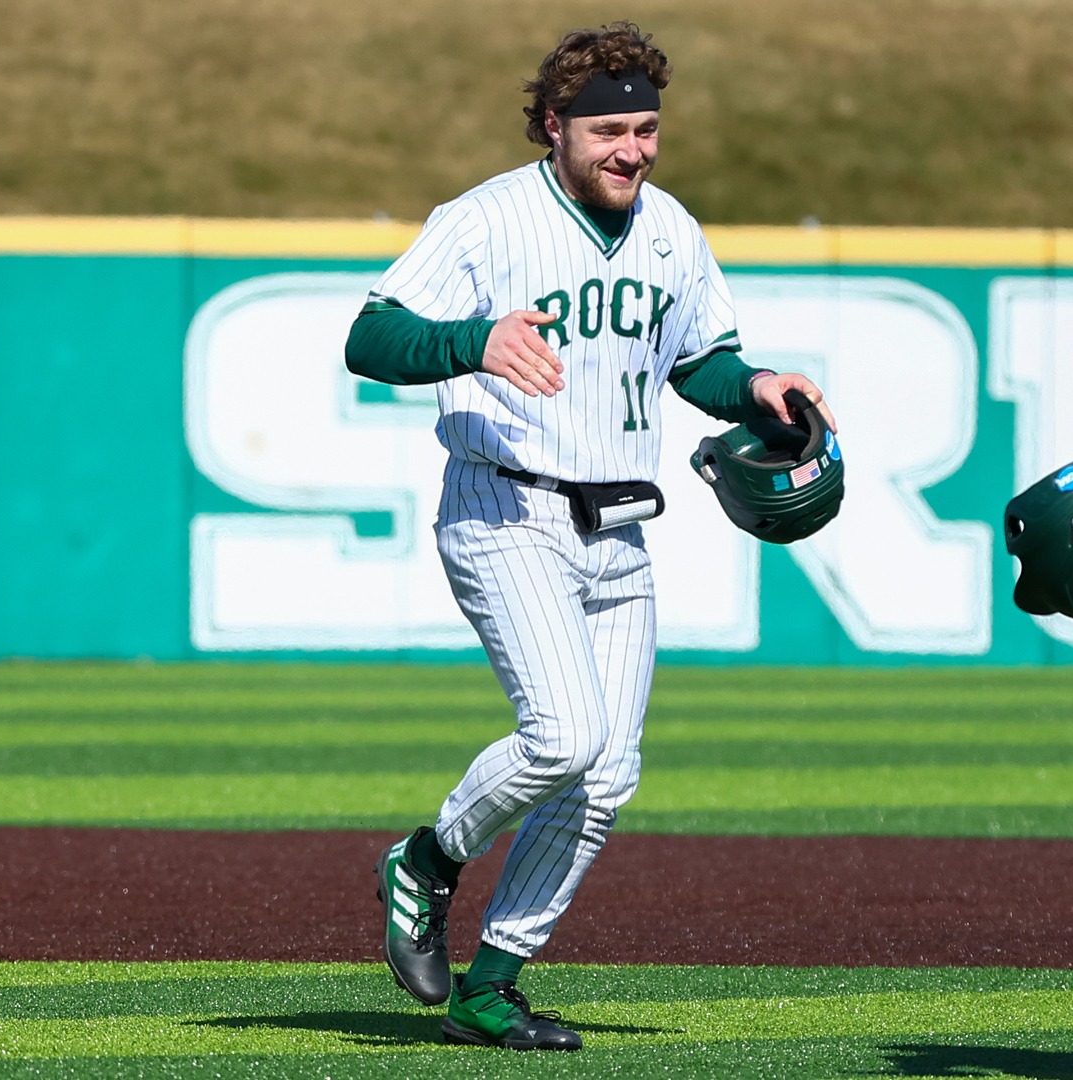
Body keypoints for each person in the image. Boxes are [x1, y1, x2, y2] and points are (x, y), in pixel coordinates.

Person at [343, 21, 832, 1052]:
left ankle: (493, 983)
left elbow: (700, 361)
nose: (634, 150)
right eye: (610, 128)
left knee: (606, 778)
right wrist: (473, 340)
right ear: (555, 127)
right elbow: (372, 335)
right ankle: (428, 859)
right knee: (563, 736)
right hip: (506, 507)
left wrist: (758, 390)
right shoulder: (486, 221)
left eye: (648, 128)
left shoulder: (670, 232)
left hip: (620, 530)